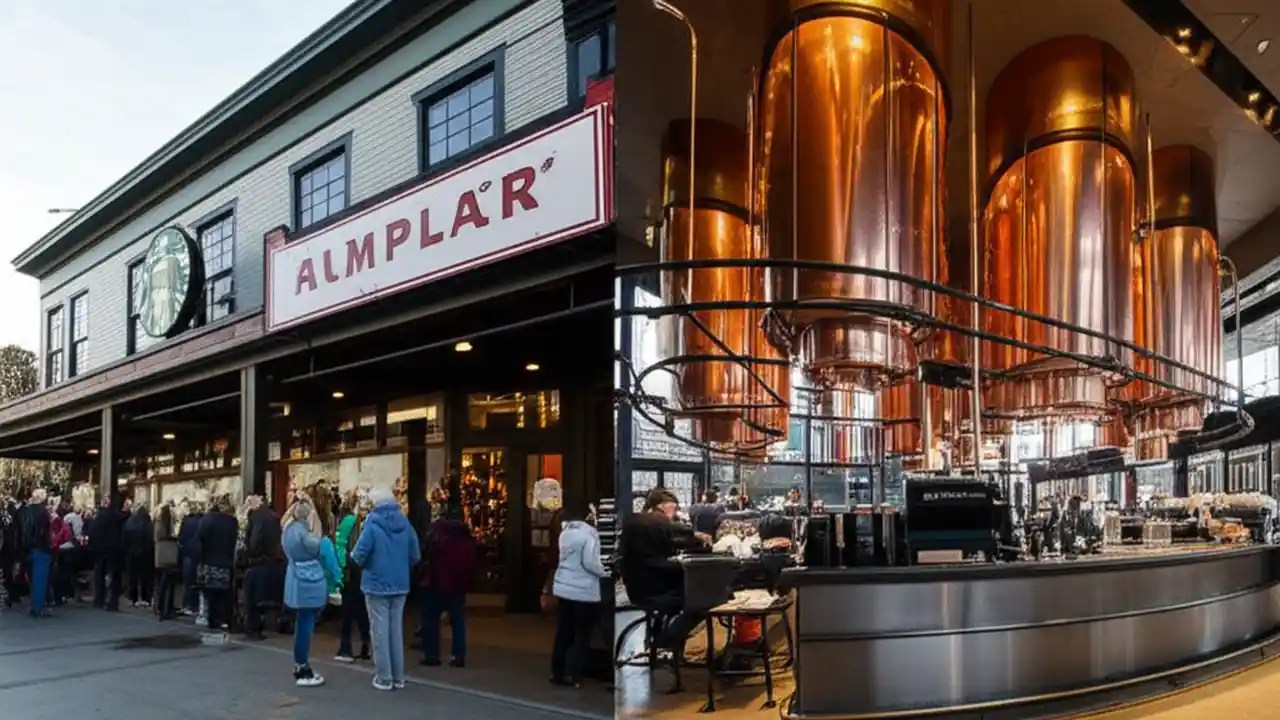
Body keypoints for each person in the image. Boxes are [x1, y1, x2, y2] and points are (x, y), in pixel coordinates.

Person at [618, 489, 712, 651]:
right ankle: (666, 642)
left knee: (685, 600)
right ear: (661, 506)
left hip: (637, 586)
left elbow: (670, 541)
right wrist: (695, 537)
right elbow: (673, 532)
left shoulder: (637, 522)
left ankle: (657, 640)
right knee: (700, 603)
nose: (674, 512)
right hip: (654, 589)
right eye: (673, 508)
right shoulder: (656, 520)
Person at [352, 486, 421, 691]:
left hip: (376, 584)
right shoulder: (405, 524)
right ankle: (398, 677)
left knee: (380, 632)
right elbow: (415, 555)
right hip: (400, 584)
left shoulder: (372, 525)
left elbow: (358, 555)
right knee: (395, 631)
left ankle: (384, 677)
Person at [549, 509, 609, 688]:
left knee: (564, 632)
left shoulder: (564, 534)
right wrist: (605, 571)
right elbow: (590, 562)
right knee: (582, 635)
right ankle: (573, 674)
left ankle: (557, 672)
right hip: (584, 591)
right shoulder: (590, 534)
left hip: (564, 588)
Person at [283, 499, 338, 687]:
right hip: (309, 583)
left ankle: (300, 665)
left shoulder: (288, 530)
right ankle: (303, 669)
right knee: (306, 627)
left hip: (295, 582)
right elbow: (321, 549)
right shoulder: (310, 536)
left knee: (302, 625)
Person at [418, 506, 475, 669]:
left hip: (436, 582)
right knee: (457, 621)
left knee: (431, 619)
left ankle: (432, 654)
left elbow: (427, 552)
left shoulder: (437, 532)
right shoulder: (466, 536)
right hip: (458, 584)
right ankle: (458, 655)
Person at [334, 494, 371, 663]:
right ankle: (366, 644)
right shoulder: (361, 522)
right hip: (360, 571)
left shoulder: (348, 521)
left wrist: (343, 566)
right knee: (360, 610)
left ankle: (345, 648)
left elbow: (343, 545)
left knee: (348, 612)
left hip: (351, 571)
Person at [243, 496, 285, 640]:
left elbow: (255, 540)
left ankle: (253, 627)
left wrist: (250, 553)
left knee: (253, 598)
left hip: (258, 562)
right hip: (271, 562)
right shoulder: (273, 518)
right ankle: (265, 624)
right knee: (266, 597)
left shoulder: (257, 517)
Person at [195, 495, 238, 630]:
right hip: (225, 562)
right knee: (224, 594)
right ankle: (224, 619)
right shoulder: (232, 522)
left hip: (208, 561)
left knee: (210, 593)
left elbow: (199, 539)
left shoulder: (207, 519)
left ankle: (211, 619)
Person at [16, 488, 52, 618]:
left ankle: (33, 606)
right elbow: (45, 532)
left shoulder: (24, 511)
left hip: (26, 550)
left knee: (32, 580)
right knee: (40, 581)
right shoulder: (43, 512)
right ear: (43, 498)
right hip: (41, 548)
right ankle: (38, 608)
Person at [89, 493, 125, 611]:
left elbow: (92, 533)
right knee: (113, 576)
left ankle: (98, 599)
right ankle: (111, 602)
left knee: (99, 574)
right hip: (112, 550)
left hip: (99, 550)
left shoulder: (98, 517)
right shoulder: (116, 517)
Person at [122, 504, 154, 607]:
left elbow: (124, 538)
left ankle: (133, 598)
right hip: (144, 553)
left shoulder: (129, 522)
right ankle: (146, 598)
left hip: (130, 553)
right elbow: (150, 538)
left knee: (132, 577)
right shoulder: (147, 522)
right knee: (146, 578)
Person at [153, 503, 180, 619]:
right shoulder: (169, 525)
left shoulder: (157, 524)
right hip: (169, 557)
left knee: (160, 584)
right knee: (168, 584)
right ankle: (166, 609)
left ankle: (159, 607)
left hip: (159, 557)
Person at [178, 502, 204, 615]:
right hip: (199, 554)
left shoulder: (186, 521)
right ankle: (196, 605)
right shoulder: (203, 521)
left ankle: (187, 605)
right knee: (198, 581)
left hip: (187, 553)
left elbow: (181, 537)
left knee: (188, 581)